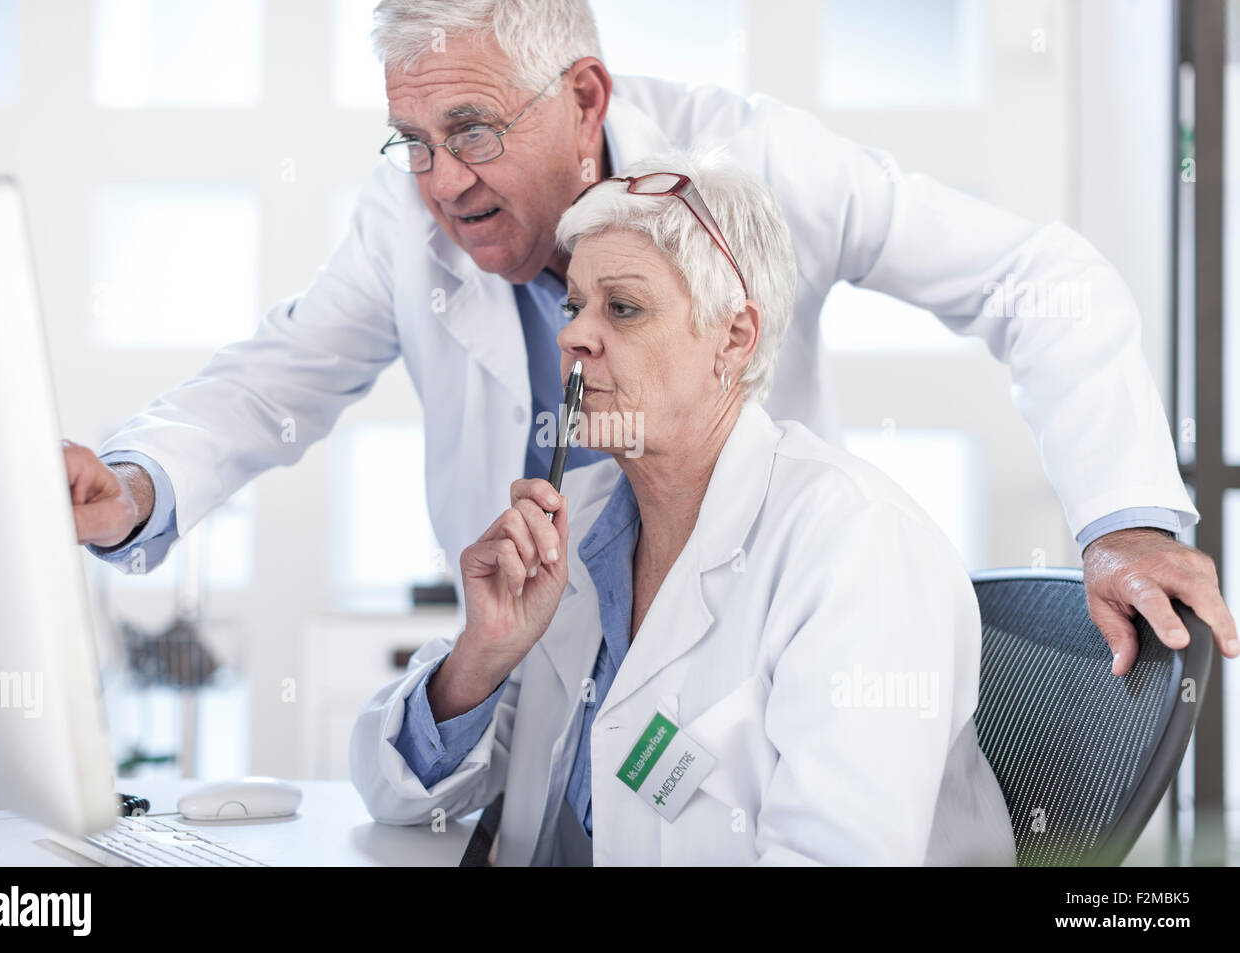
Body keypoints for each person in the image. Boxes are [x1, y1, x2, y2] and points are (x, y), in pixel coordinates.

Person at [64, 0, 1237, 684]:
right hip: (544, 684)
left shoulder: (752, 163)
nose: (440, 183)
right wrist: (133, 484)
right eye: (410, 141)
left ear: (583, 98)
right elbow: (280, 377)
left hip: (753, 667)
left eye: (469, 130)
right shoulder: (403, 222)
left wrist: (1122, 517)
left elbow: (1036, 275)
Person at [350, 153, 1018, 865]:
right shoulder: (571, 527)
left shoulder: (859, 548)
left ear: (734, 337)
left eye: (624, 308)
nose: (573, 335)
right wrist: (481, 657)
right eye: (574, 304)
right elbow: (396, 796)